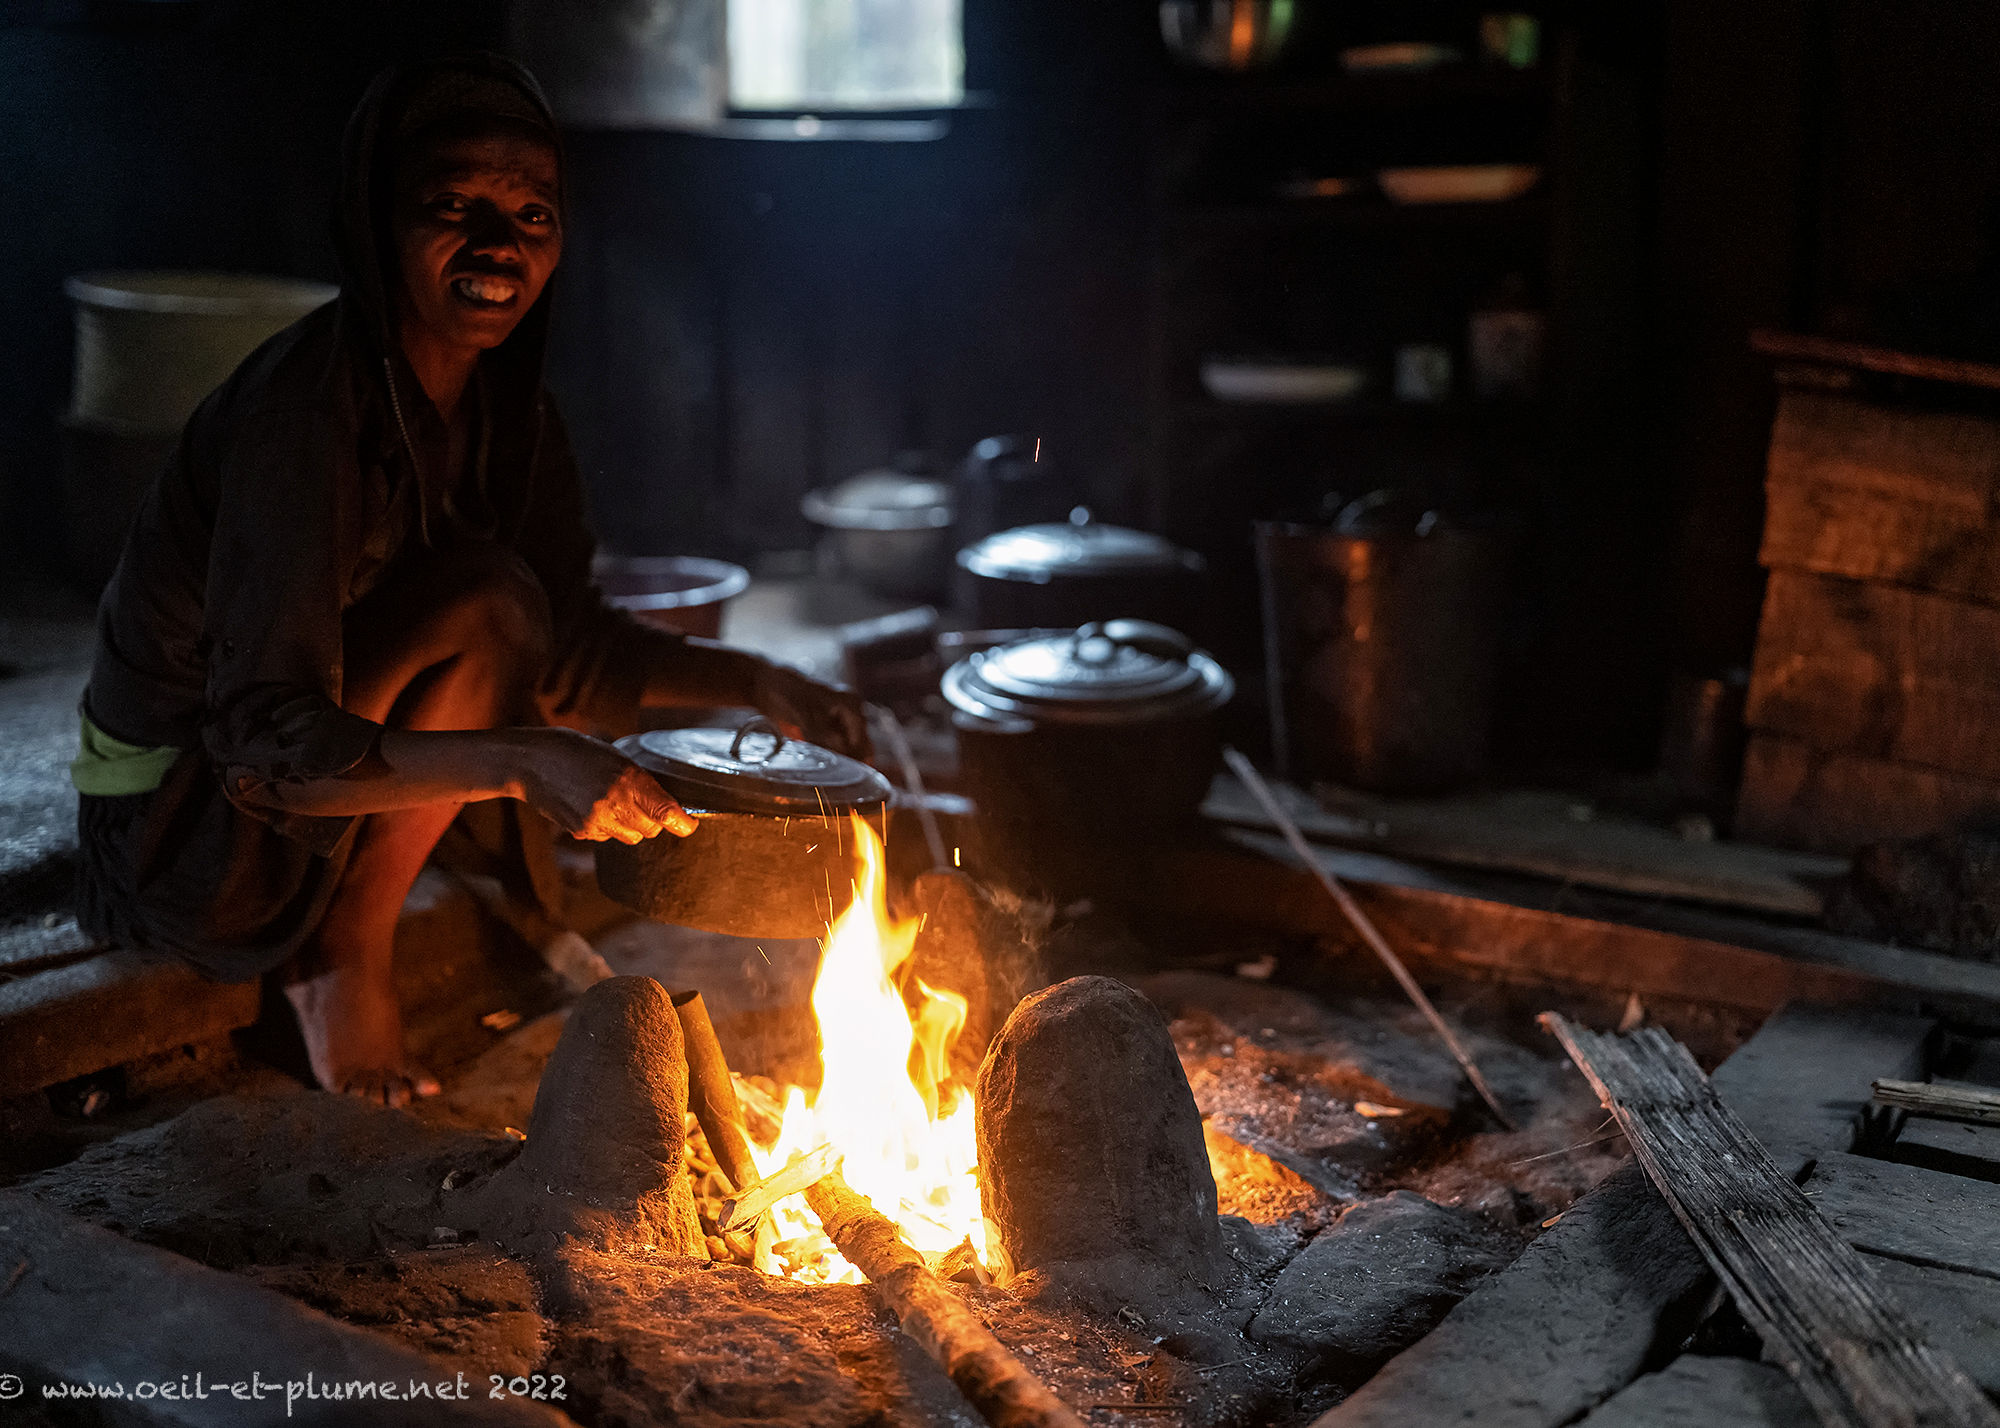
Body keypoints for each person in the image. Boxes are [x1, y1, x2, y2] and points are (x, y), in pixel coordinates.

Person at [71, 55, 864, 1107]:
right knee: (492, 608)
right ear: (376, 218)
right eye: (453, 205)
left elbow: (567, 647)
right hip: (183, 824)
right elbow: (263, 744)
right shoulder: (301, 420)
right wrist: (523, 763)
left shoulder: (509, 415)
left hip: (294, 757)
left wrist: (751, 680)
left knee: (504, 606)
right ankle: (337, 956)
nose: (499, 244)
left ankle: (354, 919)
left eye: (533, 213)